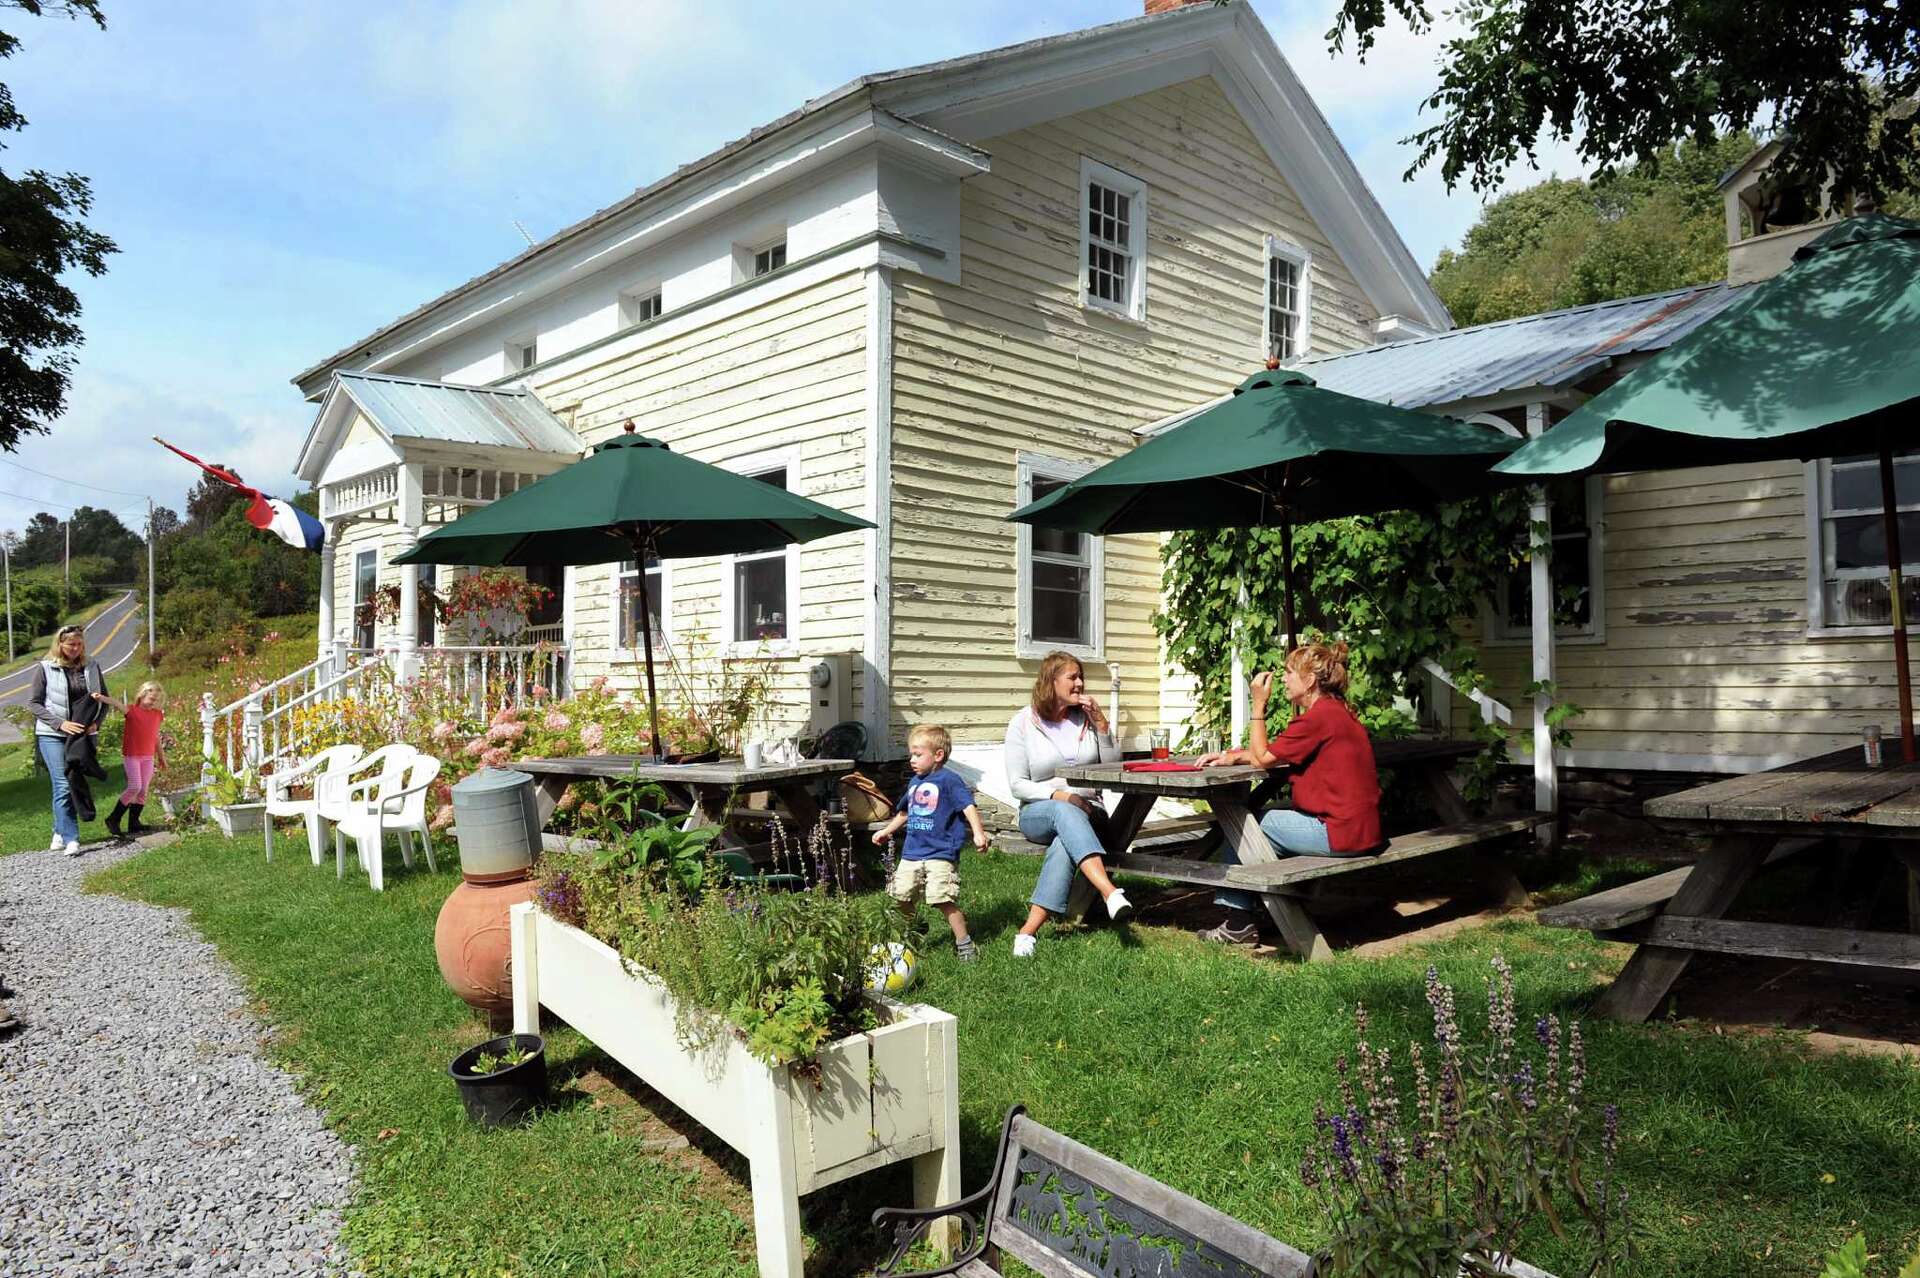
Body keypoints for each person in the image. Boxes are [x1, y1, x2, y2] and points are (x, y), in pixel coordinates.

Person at [1193, 640, 1382, 945]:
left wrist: (1257, 704)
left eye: (1290, 672)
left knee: (1243, 825)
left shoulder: (1317, 718)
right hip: (1363, 829)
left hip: (1339, 832)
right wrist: (1234, 756)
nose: (1283, 678)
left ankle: (1238, 922)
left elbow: (1263, 758)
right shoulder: (1337, 712)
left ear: (1309, 681)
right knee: (1265, 820)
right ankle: (1266, 904)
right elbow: (1273, 753)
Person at [1003, 651, 1133, 958]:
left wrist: (1101, 724)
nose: (1080, 683)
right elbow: (1017, 784)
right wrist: (1063, 796)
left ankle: (1027, 932)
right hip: (1039, 811)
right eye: (1072, 677)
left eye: (1080, 677)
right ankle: (1108, 891)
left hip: (1090, 812)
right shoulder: (1023, 722)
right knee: (1065, 812)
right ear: (1051, 681)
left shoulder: (1086, 718)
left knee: (1066, 842)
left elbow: (1113, 767)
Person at [870, 724, 987, 962]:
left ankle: (964, 944)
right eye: (911, 754)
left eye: (918, 754)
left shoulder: (949, 780)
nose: (912, 759)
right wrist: (887, 831)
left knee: (943, 899)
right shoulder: (914, 782)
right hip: (912, 852)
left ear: (938, 755)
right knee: (900, 896)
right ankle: (915, 928)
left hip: (941, 852)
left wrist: (978, 833)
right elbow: (904, 813)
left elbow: (967, 805)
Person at [26, 625, 108, 857]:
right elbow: (34, 704)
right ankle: (72, 838)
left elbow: (103, 697)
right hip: (52, 734)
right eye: (71, 644)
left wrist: (97, 723)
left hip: (81, 735)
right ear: (60, 644)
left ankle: (59, 830)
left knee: (71, 780)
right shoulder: (45, 668)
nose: (76, 648)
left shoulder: (91, 666)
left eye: (79, 644)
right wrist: (59, 724)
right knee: (64, 783)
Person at [93, 681, 167, 838]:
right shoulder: (131, 711)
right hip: (132, 756)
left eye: (157, 701)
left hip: (148, 757)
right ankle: (113, 819)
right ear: (142, 694)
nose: (155, 703)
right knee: (134, 786)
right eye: (152, 699)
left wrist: (161, 757)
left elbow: (155, 737)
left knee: (143, 791)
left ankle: (134, 824)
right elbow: (116, 703)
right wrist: (101, 698)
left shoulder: (156, 715)